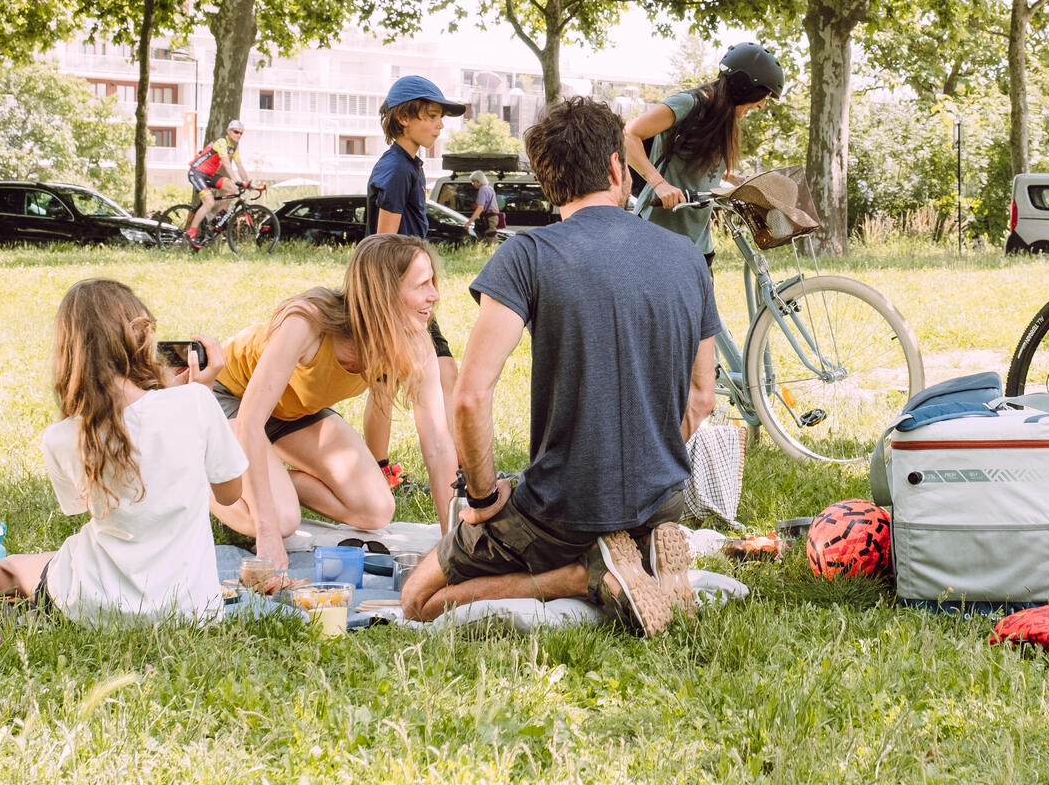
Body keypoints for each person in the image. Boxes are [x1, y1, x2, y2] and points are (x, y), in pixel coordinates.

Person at [401, 96, 720, 637]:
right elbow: (703, 398)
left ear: (548, 184)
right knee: (640, 510)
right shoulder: (688, 257)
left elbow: (471, 395)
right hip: (661, 502)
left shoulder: (527, 254)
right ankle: (638, 556)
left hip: (559, 513)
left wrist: (481, 498)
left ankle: (583, 577)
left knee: (418, 598)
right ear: (618, 169)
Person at [0, 279, 247, 623]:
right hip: (190, 608)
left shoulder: (64, 436)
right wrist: (199, 390)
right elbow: (230, 495)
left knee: (9, 568)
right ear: (142, 335)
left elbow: (86, 507)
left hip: (92, 603)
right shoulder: (195, 402)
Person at [208, 234, 459, 570]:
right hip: (233, 398)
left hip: (294, 410)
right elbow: (252, 420)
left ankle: (268, 487)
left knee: (376, 509)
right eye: (423, 284)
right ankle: (201, 478)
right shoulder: (306, 323)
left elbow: (439, 446)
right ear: (383, 294)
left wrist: (453, 542)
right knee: (280, 522)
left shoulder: (413, 342)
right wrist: (267, 536)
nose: (434, 295)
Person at [624, 42, 784, 262]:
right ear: (744, 87)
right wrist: (659, 184)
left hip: (698, 243)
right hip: (657, 236)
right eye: (762, 97)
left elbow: (695, 158)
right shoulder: (688, 104)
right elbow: (629, 135)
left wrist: (730, 176)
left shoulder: (723, 116)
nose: (761, 106)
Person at [367, 75, 466, 239]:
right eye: (433, 115)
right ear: (404, 118)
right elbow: (383, 244)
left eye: (441, 117)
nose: (440, 125)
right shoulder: (397, 167)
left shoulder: (409, 164)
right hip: (397, 264)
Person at [184, 120, 260, 246]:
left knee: (233, 188)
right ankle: (191, 233)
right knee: (209, 202)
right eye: (236, 132)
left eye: (241, 133)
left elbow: (239, 165)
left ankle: (220, 214)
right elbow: (226, 164)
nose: (238, 135)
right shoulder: (221, 142)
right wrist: (237, 180)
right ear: (228, 131)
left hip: (209, 175)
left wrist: (247, 183)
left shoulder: (234, 147)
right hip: (197, 173)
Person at [467, 171, 499, 239]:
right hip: (493, 217)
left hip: (487, 218)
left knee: (488, 240)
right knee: (492, 238)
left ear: (478, 181)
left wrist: (469, 222)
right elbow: (496, 206)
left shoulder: (482, 190)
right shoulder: (490, 188)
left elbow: (480, 208)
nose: (473, 184)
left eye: (473, 181)